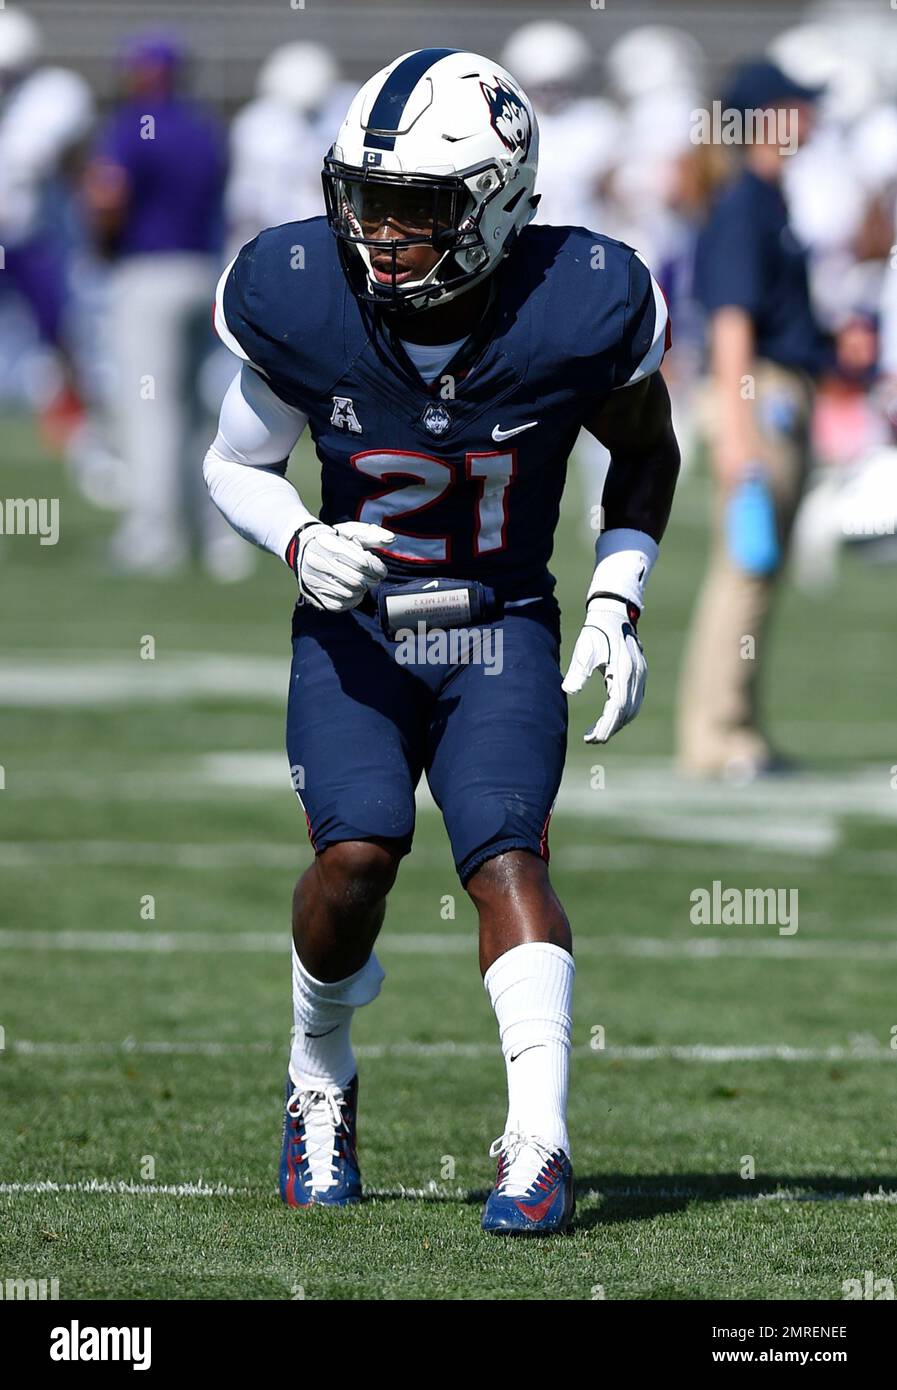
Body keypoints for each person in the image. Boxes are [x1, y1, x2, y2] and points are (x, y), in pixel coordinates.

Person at [204, 48, 679, 1234]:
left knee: (508, 858)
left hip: (502, 622)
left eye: (415, 205)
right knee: (357, 856)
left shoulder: (583, 298)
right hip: (354, 630)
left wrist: (619, 598)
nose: (378, 231)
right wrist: (302, 542)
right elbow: (235, 463)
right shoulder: (301, 290)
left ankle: (538, 1140)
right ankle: (318, 1071)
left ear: (497, 198)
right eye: (363, 196)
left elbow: (647, 456)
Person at [677, 60, 831, 778]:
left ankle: (734, 728)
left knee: (755, 573)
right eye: (799, 105)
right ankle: (717, 736)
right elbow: (732, 327)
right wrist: (740, 435)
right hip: (756, 396)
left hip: (774, 390)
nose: (811, 117)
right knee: (745, 567)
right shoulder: (745, 204)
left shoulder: (766, 200)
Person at [83, 30, 234, 577]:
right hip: (203, 271)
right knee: (196, 409)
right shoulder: (204, 129)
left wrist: (101, 245)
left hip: (147, 274)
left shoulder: (132, 127)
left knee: (149, 407)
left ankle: (155, 535)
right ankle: (212, 532)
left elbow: (108, 194)